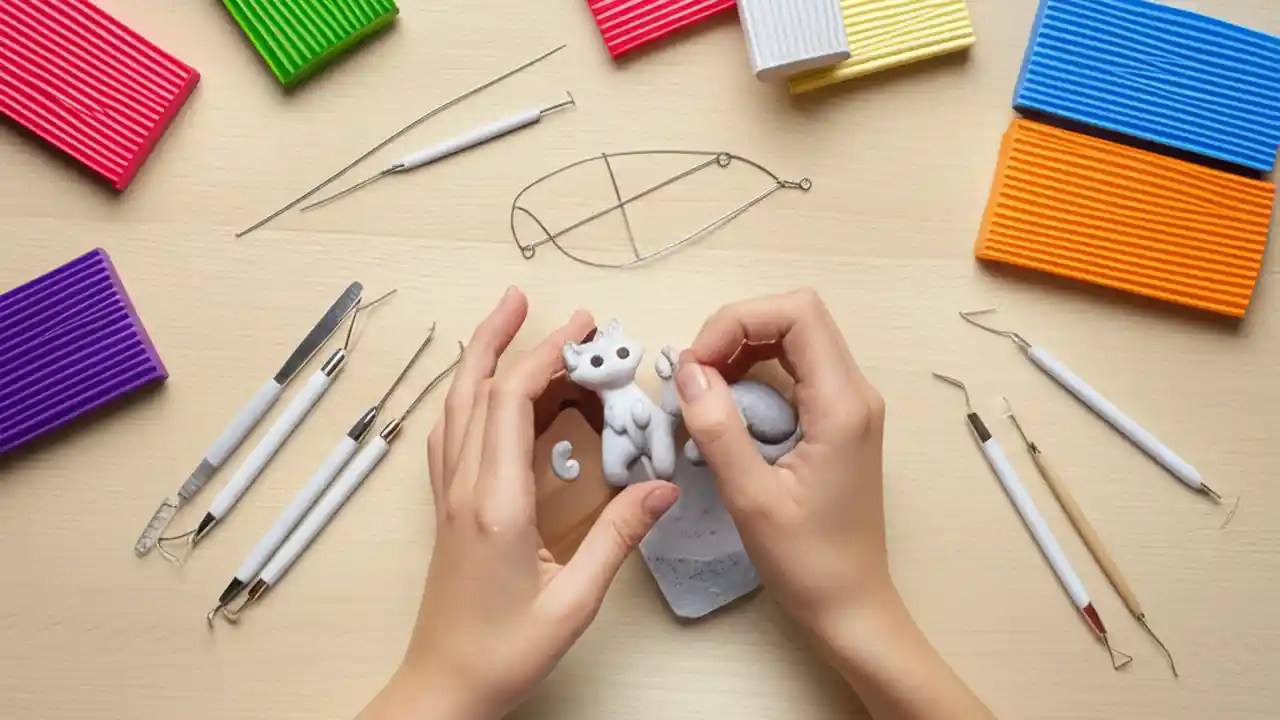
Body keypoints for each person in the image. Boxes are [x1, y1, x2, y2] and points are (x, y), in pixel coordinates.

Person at [358, 288, 994, 720]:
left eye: (616, 355)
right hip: (657, 465)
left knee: (664, 453)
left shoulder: (662, 412)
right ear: (582, 363)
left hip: (677, 456)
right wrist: (861, 612)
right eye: (598, 360)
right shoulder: (617, 417)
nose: (614, 363)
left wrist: (440, 685)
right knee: (647, 461)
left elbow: (659, 435)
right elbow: (631, 457)